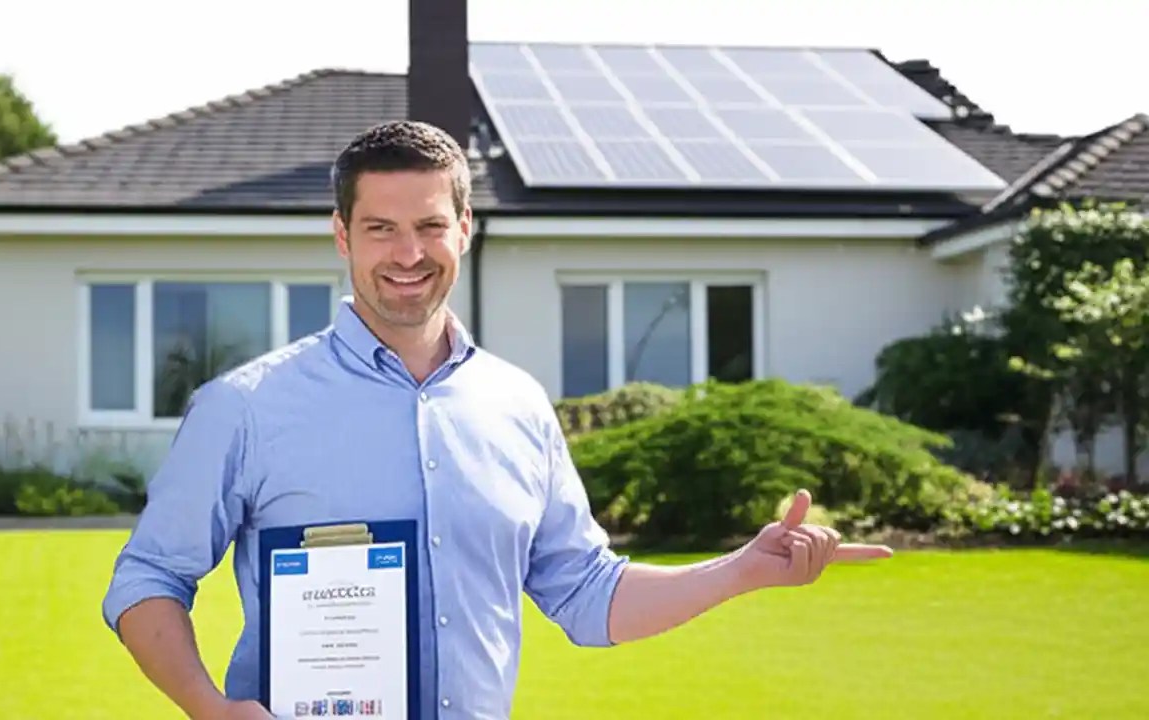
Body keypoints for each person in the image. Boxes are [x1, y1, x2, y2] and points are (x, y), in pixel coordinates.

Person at [101, 120, 894, 719]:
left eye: (429, 225)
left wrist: (742, 570)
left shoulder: (517, 405)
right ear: (342, 236)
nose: (407, 253)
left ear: (465, 230)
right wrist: (211, 707)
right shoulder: (245, 407)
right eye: (380, 228)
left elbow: (587, 593)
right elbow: (147, 578)